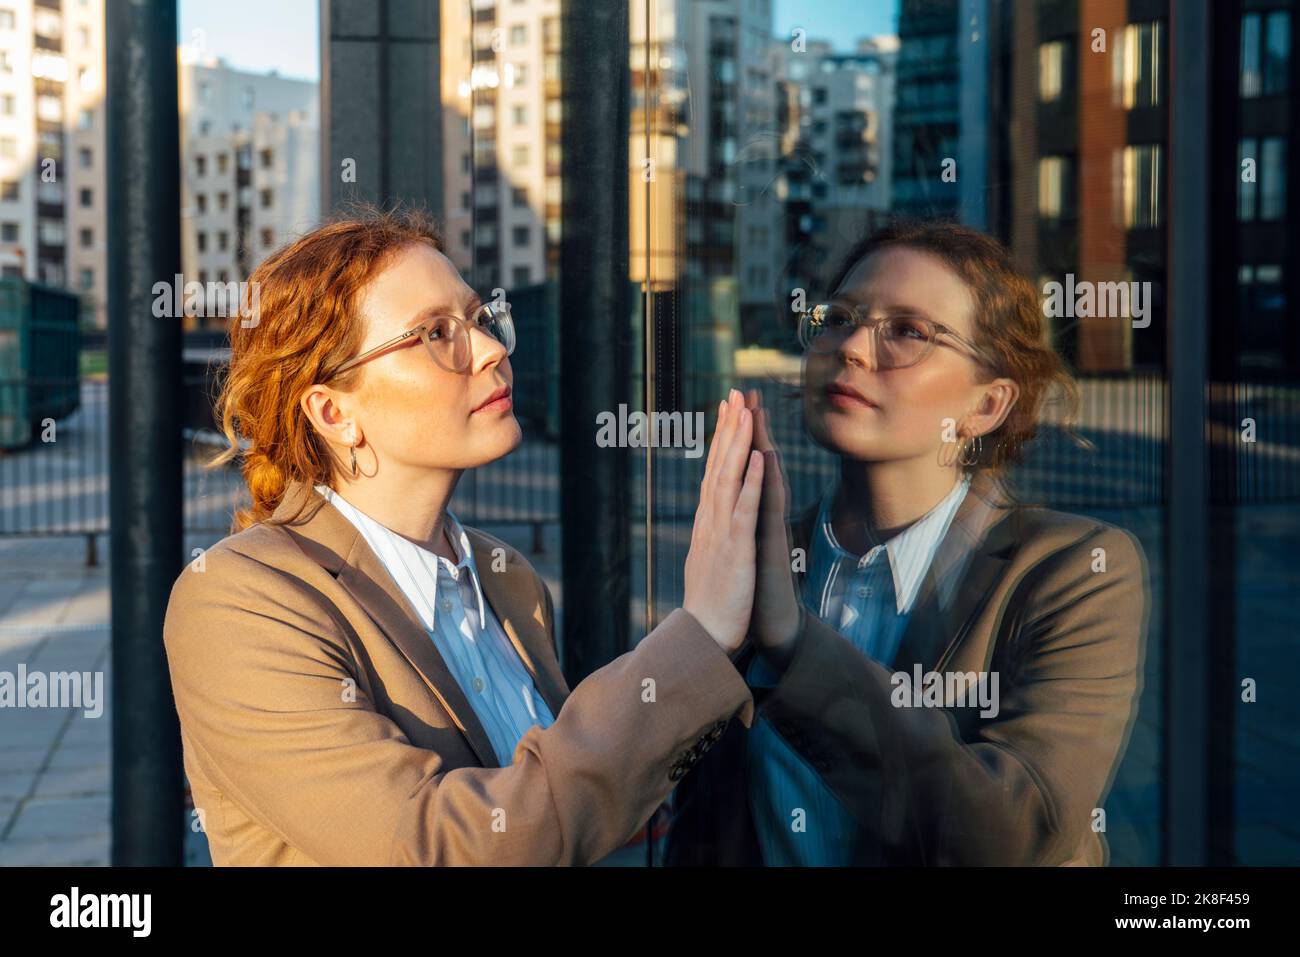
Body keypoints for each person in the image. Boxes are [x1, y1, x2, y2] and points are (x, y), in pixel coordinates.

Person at [162, 207, 765, 865]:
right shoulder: (240, 601)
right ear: (335, 412)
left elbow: (563, 811)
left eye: (480, 318)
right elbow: (437, 848)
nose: (491, 349)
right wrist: (697, 636)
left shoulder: (506, 578)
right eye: (435, 333)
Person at [665, 221, 1150, 866]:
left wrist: (794, 641)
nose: (853, 349)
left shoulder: (1073, 571)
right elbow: (702, 830)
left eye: (908, 331)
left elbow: (1018, 833)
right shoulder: (753, 561)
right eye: (838, 317)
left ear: (987, 405)